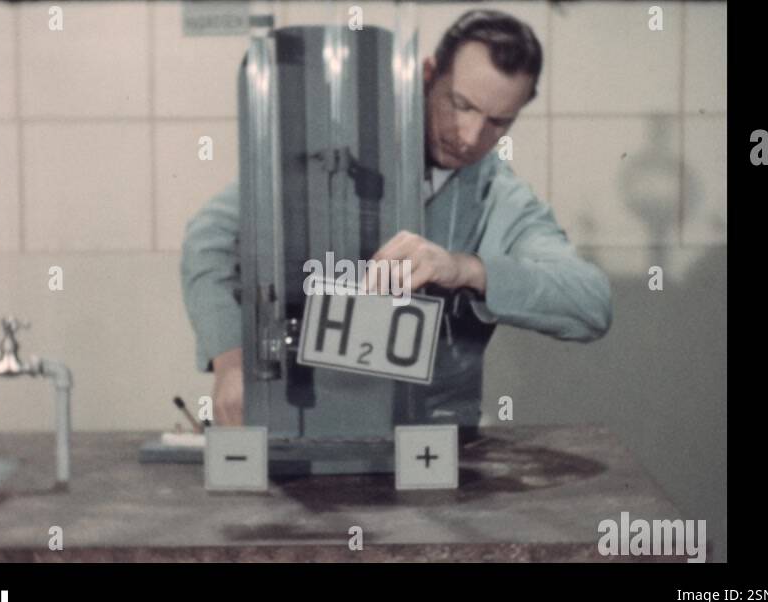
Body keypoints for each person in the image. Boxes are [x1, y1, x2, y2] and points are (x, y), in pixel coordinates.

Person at [181, 9, 612, 427]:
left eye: (498, 122)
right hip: (307, 423)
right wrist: (231, 364)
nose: (471, 136)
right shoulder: (330, 153)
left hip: (435, 440)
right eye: (460, 105)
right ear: (426, 76)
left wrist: (467, 268)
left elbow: (590, 303)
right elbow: (209, 240)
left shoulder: (500, 197)